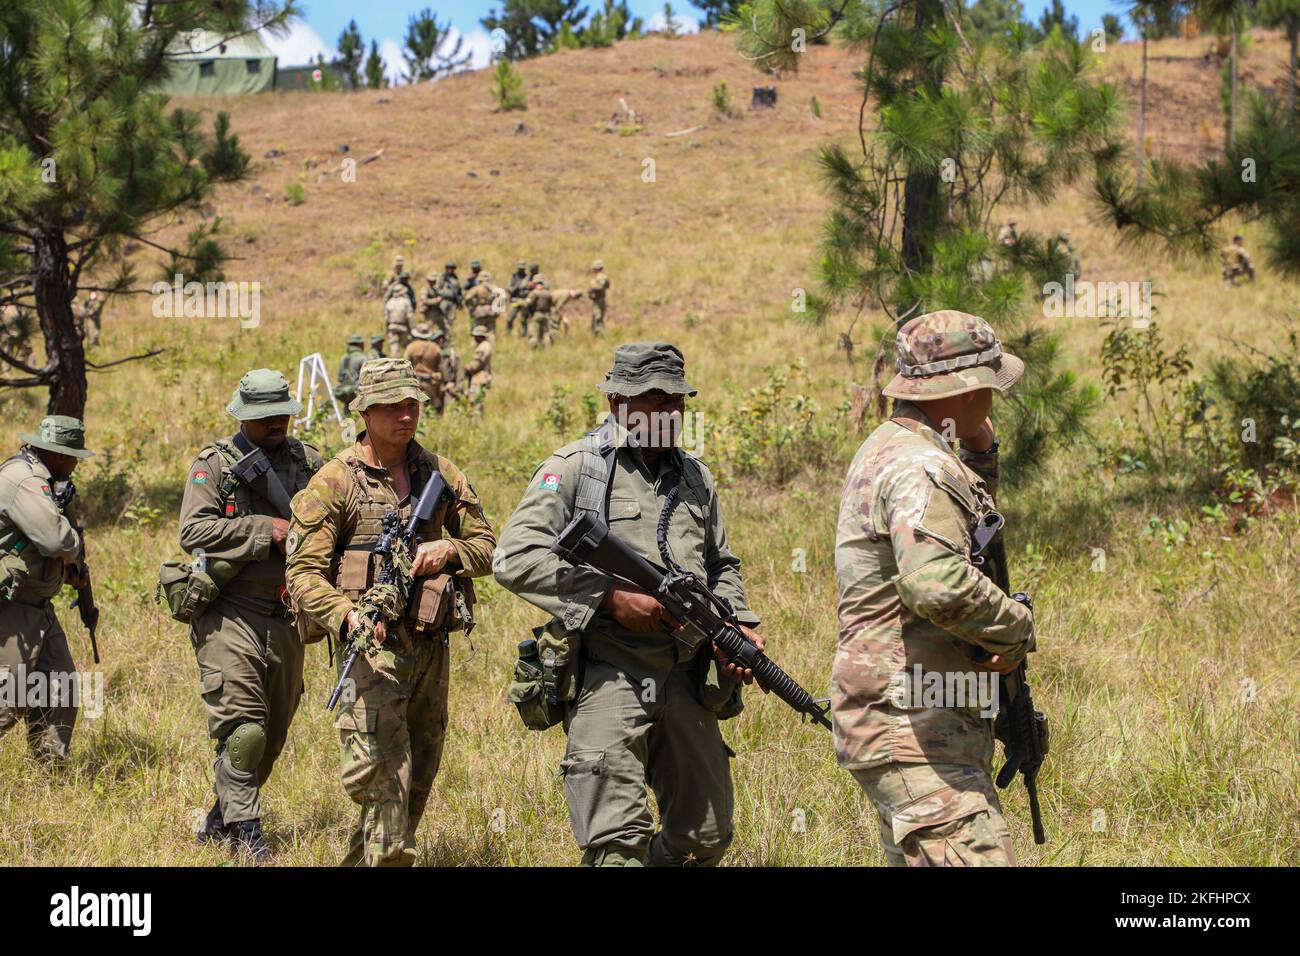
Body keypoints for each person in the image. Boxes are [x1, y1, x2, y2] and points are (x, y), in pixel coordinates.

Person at [493, 343, 762, 866]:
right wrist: (610, 599)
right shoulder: (577, 469)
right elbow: (512, 557)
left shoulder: (695, 478)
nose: (666, 413)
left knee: (704, 839)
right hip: (609, 671)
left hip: (687, 675)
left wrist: (739, 624)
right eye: (651, 400)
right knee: (616, 844)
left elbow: (722, 564)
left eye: (675, 401)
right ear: (617, 399)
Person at [832, 310, 1036, 867]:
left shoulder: (895, 447)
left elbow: (959, 532)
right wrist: (1017, 628)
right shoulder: (921, 465)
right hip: (912, 725)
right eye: (991, 384)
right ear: (965, 389)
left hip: (911, 718)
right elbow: (936, 582)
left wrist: (979, 455)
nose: (996, 396)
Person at [286, 359, 496, 867]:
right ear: (365, 411)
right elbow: (302, 574)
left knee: (417, 773)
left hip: (428, 645)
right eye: (392, 407)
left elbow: (489, 547)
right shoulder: (335, 482)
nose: (405, 415)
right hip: (370, 647)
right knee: (382, 774)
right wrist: (346, 614)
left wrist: (448, 552)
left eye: (412, 405)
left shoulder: (440, 473)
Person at [179, 369, 323, 860]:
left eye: (281, 413)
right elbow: (194, 532)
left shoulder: (311, 463)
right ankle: (247, 837)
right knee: (245, 730)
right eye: (263, 417)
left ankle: (219, 820)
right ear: (243, 415)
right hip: (229, 613)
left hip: (287, 615)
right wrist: (265, 530)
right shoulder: (215, 465)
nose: (275, 423)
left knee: (273, 735)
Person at [0, 416, 93, 764]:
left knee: (60, 689)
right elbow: (55, 538)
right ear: (56, 453)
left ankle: (47, 771)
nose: (76, 464)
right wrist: (74, 545)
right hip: (11, 606)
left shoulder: (45, 478)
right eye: (73, 456)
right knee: (10, 698)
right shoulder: (25, 479)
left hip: (36, 604)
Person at [404, 322, 445, 413]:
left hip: (414, 380)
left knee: (416, 406)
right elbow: (441, 369)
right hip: (430, 382)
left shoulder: (411, 347)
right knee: (429, 407)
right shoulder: (435, 348)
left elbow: (405, 366)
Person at [462, 271, 502, 339]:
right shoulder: (494, 288)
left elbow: (467, 298)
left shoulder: (477, 288)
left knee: (478, 332)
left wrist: (472, 307)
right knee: (491, 332)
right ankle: (491, 348)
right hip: (491, 312)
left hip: (479, 312)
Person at [334, 335, 368, 407]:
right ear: (360, 344)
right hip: (359, 394)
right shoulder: (362, 358)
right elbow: (368, 378)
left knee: (347, 416)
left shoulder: (343, 359)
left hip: (345, 393)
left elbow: (340, 379)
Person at [463, 325, 493, 403]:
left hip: (479, 378)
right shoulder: (485, 346)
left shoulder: (483, 347)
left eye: (476, 336)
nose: (474, 338)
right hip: (481, 377)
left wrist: (465, 369)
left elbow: (476, 365)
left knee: (474, 401)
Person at [525, 275, 555, 349]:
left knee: (534, 332)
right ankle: (547, 348)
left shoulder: (534, 293)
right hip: (546, 315)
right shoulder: (548, 293)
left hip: (537, 314)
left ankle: (533, 348)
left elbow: (528, 304)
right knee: (546, 333)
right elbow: (551, 304)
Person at [385, 284, 415, 358]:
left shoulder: (389, 302)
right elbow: (410, 317)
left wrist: (387, 330)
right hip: (403, 327)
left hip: (392, 327)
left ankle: (394, 365)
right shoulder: (406, 301)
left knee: (394, 348)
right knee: (409, 346)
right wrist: (412, 329)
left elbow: (386, 319)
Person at [435, 262, 462, 333]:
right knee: (442, 319)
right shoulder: (442, 277)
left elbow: (459, 290)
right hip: (444, 300)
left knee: (451, 320)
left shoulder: (455, 278)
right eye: (449, 268)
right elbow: (437, 288)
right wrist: (445, 294)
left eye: (452, 268)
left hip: (453, 302)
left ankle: (448, 334)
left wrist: (459, 300)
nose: (451, 270)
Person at [506, 261, 529, 337]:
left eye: (523, 269)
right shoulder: (514, 277)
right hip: (515, 301)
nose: (521, 270)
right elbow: (509, 289)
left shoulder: (527, 277)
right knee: (509, 319)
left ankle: (523, 334)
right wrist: (517, 286)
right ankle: (509, 333)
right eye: (520, 268)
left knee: (524, 320)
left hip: (524, 301)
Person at [588, 260, 610, 336]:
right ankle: (596, 335)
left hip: (599, 300)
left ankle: (599, 335)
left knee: (598, 318)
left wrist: (592, 285)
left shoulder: (600, 277)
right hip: (598, 300)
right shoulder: (601, 277)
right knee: (596, 318)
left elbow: (602, 286)